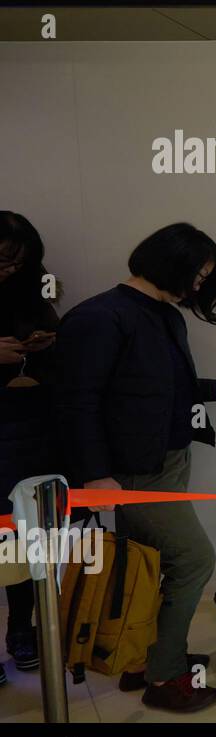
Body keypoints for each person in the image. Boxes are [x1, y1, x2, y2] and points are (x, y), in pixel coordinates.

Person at [57, 223, 216, 711]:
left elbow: (166, 384)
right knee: (194, 560)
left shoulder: (165, 315)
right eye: (197, 274)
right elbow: (77, 403)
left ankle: (143, 657)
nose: (198, 286)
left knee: (149, 567)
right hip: (132, 471)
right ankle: (165, 674)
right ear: (168, 261)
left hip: (169, 459)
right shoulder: (99, 317)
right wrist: (96, 474)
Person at [0, 212, 60, 686]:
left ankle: (21, 631)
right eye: (1, 260)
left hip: (27, 428)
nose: (8, 270)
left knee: (21, 539)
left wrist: (42, 344)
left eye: (17, 262)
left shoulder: (38, 288)